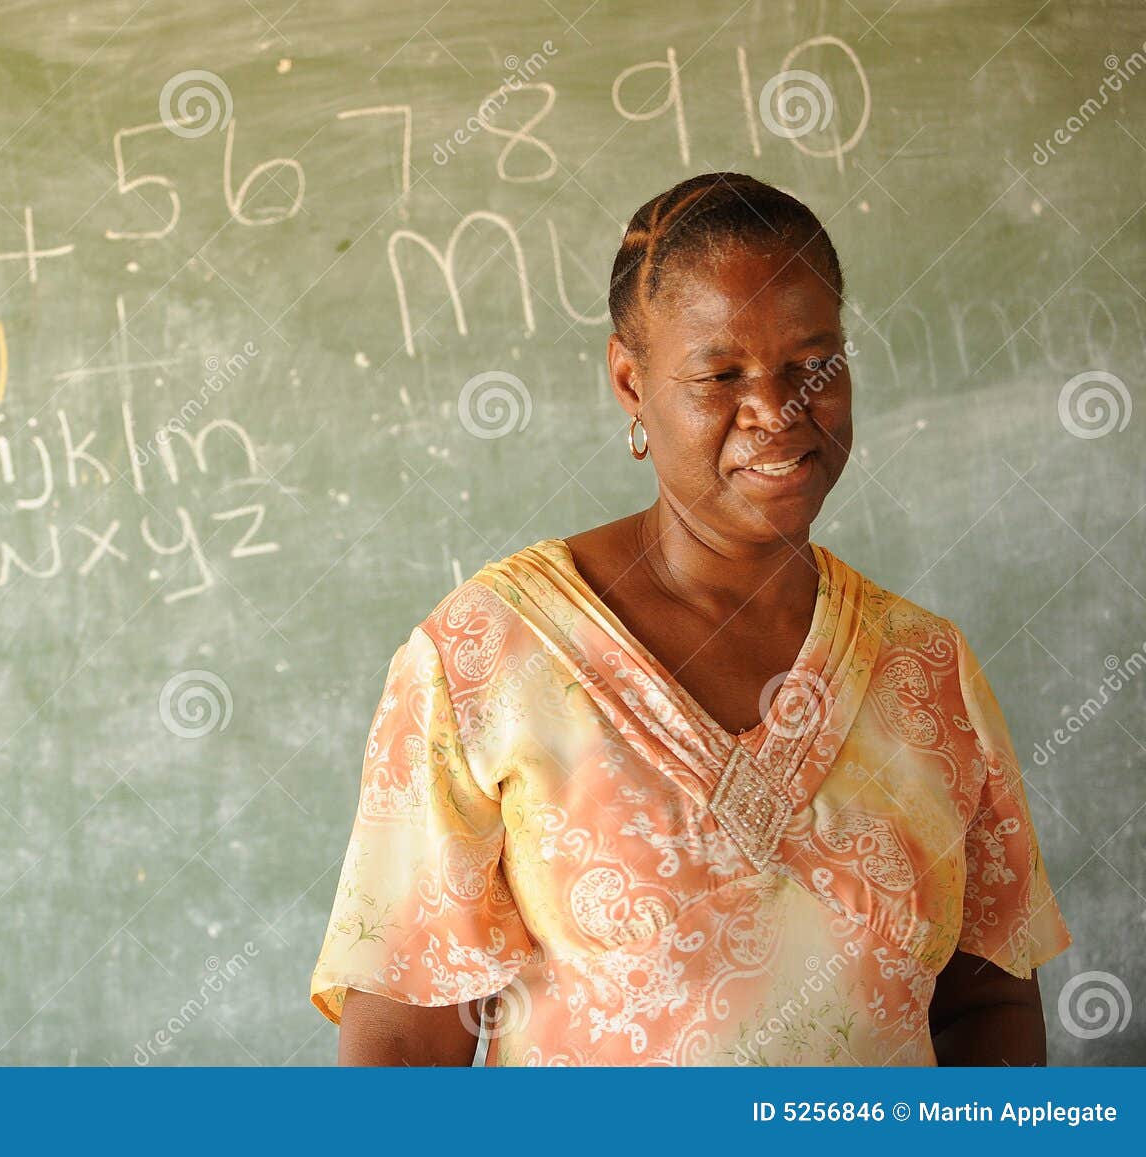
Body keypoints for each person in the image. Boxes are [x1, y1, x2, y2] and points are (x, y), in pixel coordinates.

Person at [309, 172, 1073, 1066]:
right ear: (631, 383)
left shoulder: (927, 667)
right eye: (721, 374)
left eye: (812, 365)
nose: (779, 412)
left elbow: (986, 1004)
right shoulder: (487, 657)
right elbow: (404, 1037)